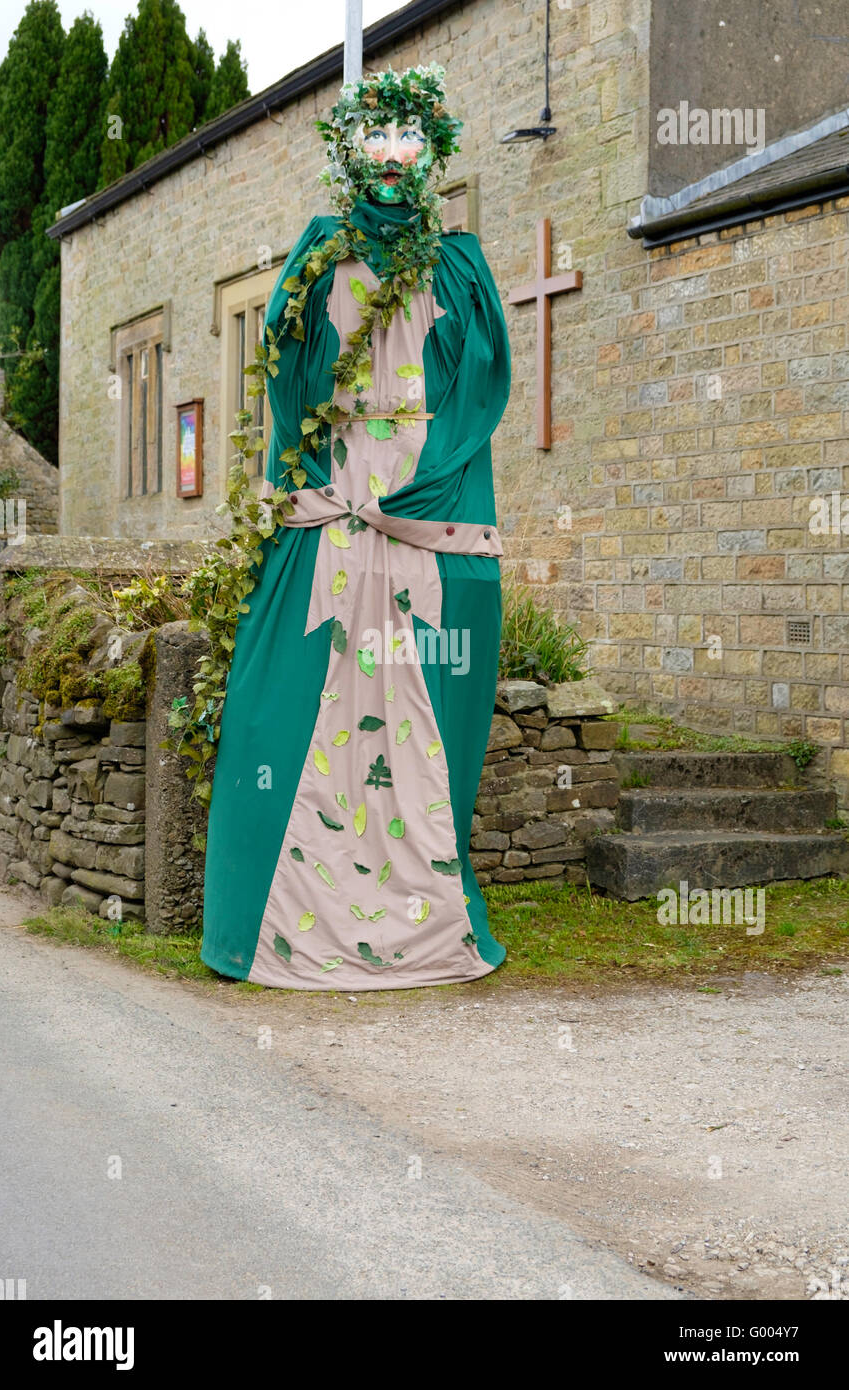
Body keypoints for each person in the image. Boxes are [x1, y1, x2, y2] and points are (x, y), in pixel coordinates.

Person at [201, 63, 511, 989]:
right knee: (292, 695)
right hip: (332, 509)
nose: (390, 156)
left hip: (418, 504)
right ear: (349, 152)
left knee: (421, 697)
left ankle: (425, 913)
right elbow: (289, 389)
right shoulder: (319, 254)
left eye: (408, 138)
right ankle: (286, 919)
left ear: (433, 153)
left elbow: (478, 392)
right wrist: (294, 494)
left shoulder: (461, 263)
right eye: (374, 138)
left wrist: (422, 491)